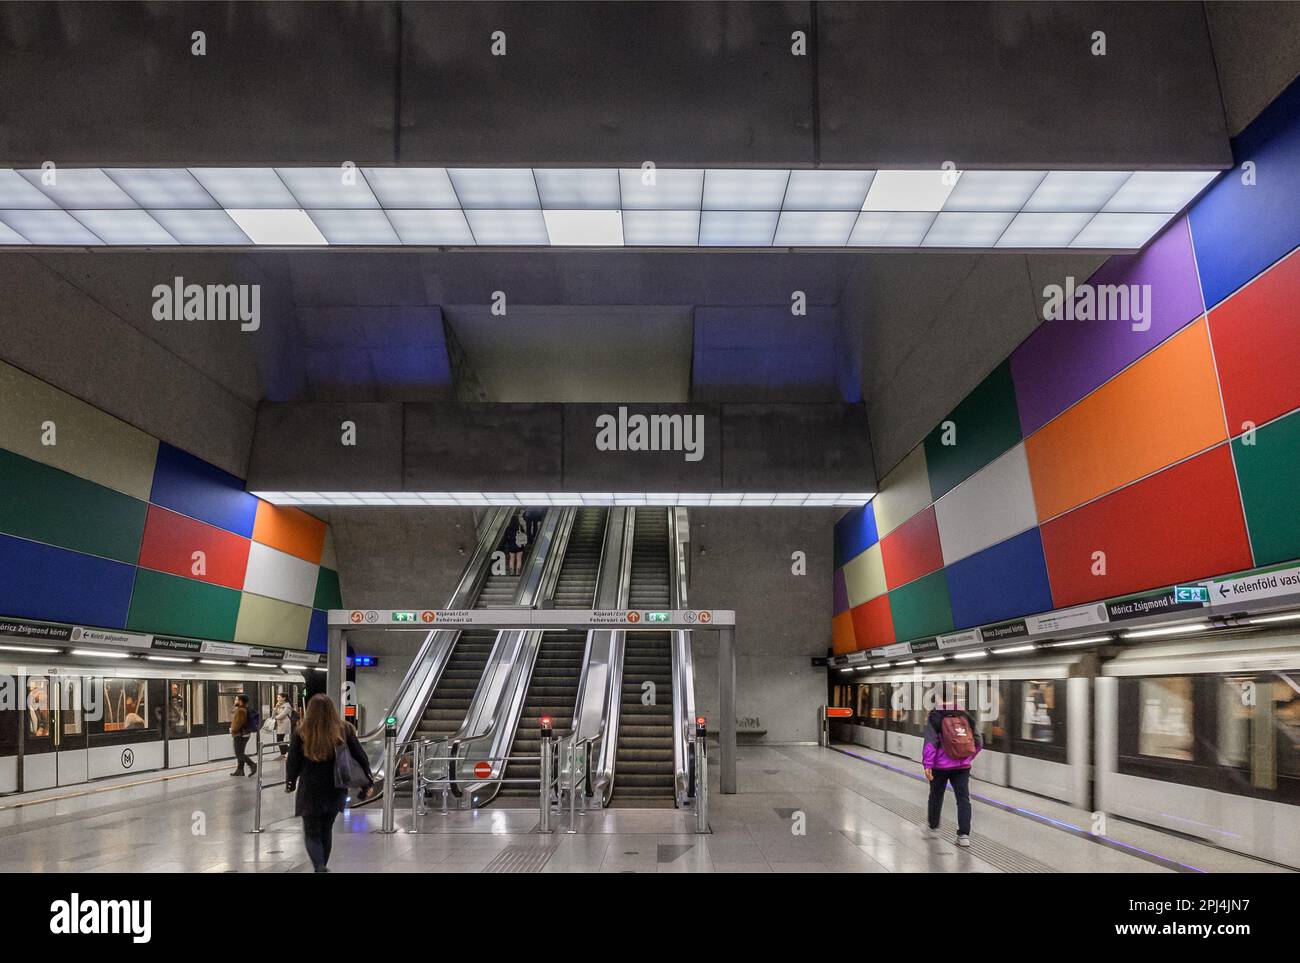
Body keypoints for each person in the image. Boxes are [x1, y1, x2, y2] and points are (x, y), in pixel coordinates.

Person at [285, 694, 374, 873]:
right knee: (326, 828)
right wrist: (367, 782)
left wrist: (291, 782)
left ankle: (319, 867)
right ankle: (322, 866)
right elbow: (360, 756)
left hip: (310, 787)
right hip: (336, 786)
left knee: (311, 831)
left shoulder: (302, 730)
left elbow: (293, 760)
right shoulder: (344, 729)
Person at [922, 701, 982, 847]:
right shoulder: (966, 716)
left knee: (936, 796)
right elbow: (979, 742)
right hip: (962, 766)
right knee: (963, 799)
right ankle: (963, 836)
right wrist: (968, 757)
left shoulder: (935, 717)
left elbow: (931, 743)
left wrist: (927, 764)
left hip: (940, 766)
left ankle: (934, 828)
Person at [230, 694, 257, 778]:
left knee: (239, 753)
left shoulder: (241, 710)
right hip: (244, 734)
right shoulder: (245, 709)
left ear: (240, 701)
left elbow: (237, 724)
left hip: (240, 734)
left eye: (236, 699)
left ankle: (252, 764)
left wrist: (233, 730)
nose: (235, 701)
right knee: (240, 752)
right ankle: (240, 770)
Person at [502, 511, 528, 576]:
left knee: (512, 559)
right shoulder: (520, 527)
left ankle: (511, 572)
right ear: (517, 520)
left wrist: (507, 543)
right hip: (519, 545)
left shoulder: (508, 528)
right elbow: (524, 535)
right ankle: (517, 572)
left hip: (511, 546)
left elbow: (505, 538)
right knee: (519, 559)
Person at [271, 692, 293, 759]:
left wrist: (275, 718)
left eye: (279, 697)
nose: (277, 698)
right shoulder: (278, 705)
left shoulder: (287, 706)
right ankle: (283, 753)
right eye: (277, 697)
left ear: (284, 698)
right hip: (279, 724)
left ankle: (288, 751)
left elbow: (282, 715)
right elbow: (273, 715)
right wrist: (275, 708)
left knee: (279, 739)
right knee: (280, 739)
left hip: (285, 724)